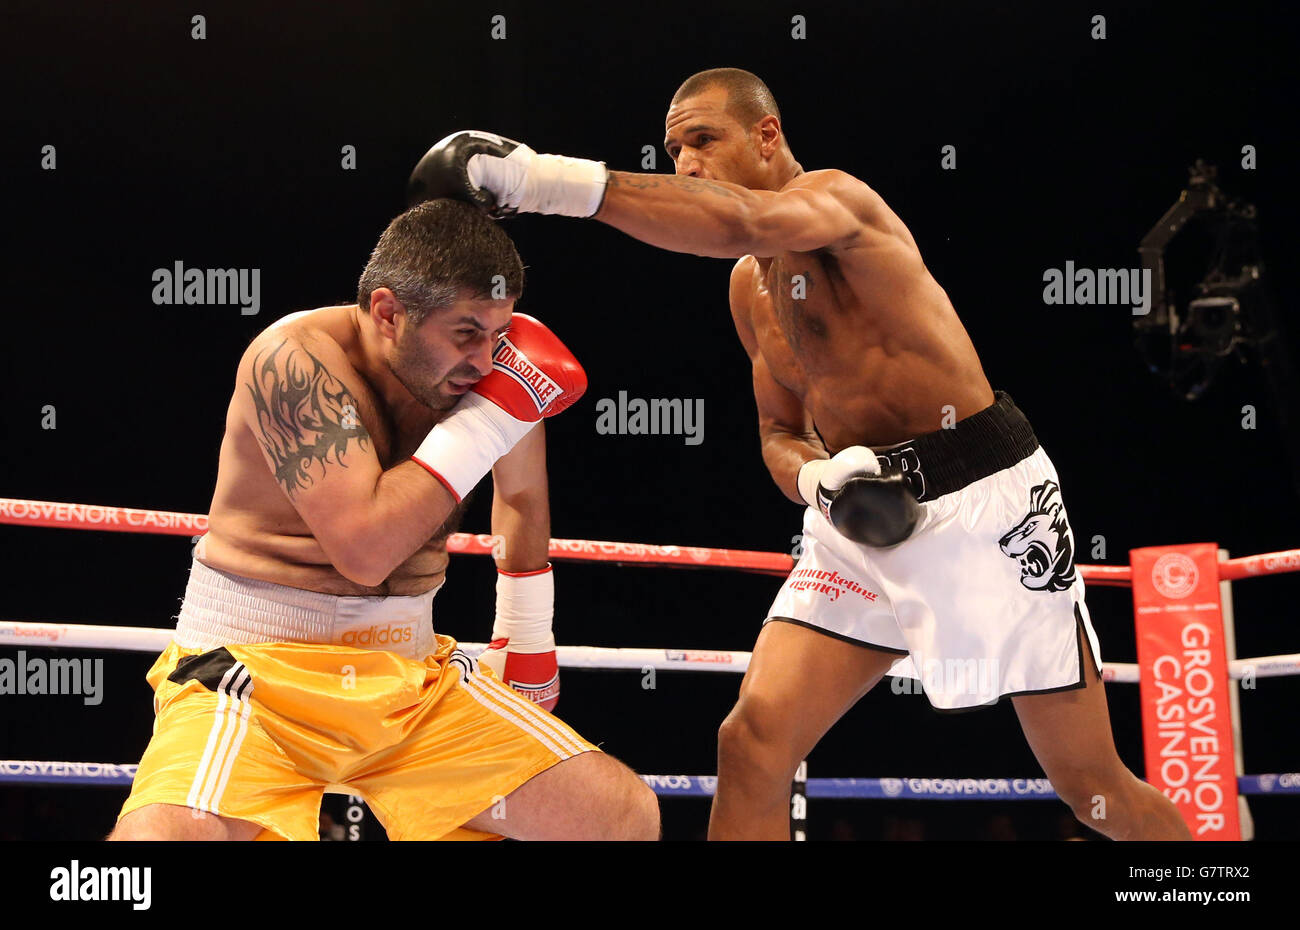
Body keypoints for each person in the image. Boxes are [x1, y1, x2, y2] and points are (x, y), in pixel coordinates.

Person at [409, 68, 1192, 840]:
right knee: (751, 744)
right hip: (859, 522)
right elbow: (778, 434)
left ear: (767, 133)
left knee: (1091, 787)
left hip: (983, 501)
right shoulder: (749, 289)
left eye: (702, 141)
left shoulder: (840, 203)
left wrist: (543, 182)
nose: (685, 165)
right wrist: (821, 478)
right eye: (674, 150)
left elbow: (741, 220)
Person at [109, 198, 659, 841]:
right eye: (465, 333)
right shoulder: (293, 362)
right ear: (389, 312)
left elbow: (523, 497)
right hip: (251, 671)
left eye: (497, 331)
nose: (486, 361)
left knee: (618, 815)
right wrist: (491, 417)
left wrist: (526, 634)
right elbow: (366, 549)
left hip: (410, 677)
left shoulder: (486, 366)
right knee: (172, 836)